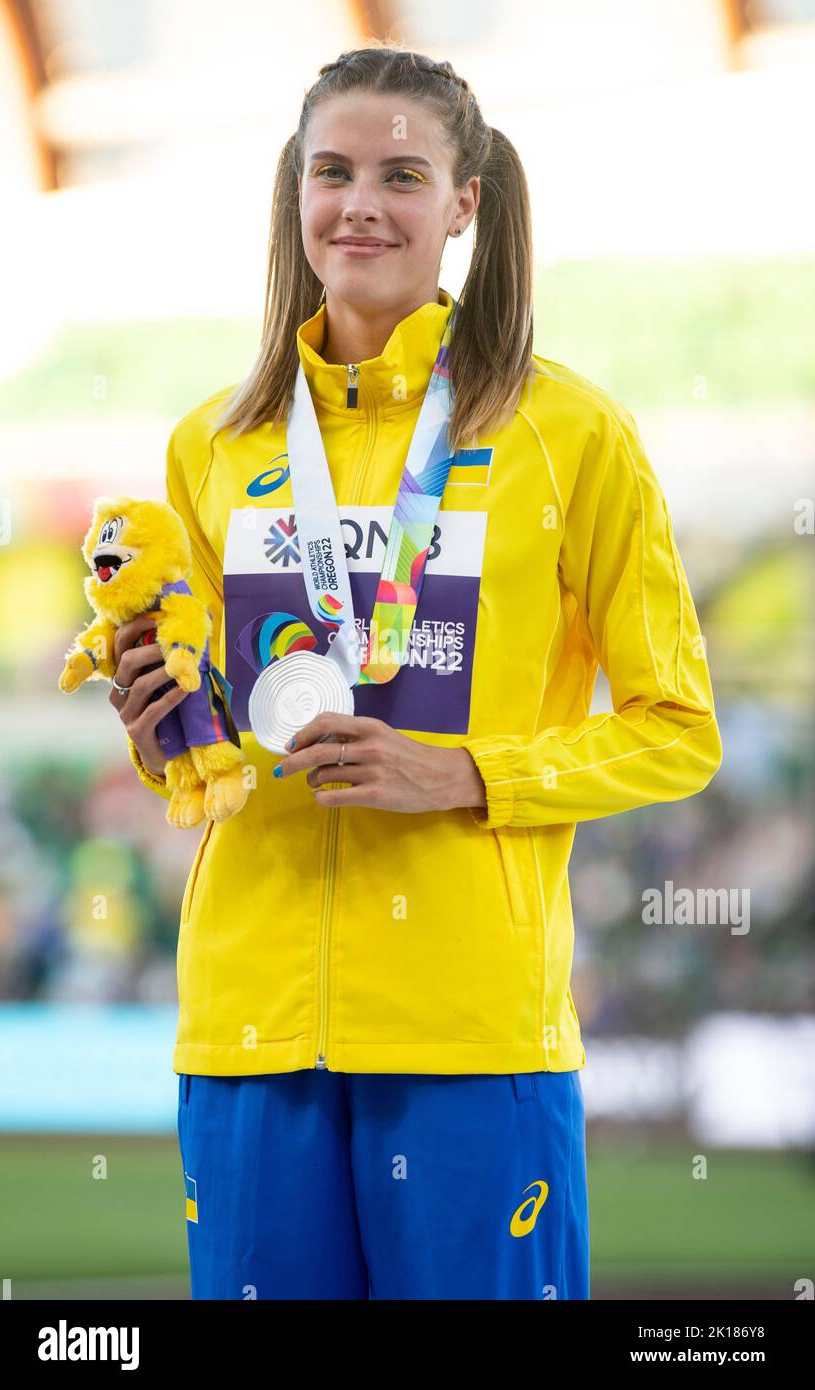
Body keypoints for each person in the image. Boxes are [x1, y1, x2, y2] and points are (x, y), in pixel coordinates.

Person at [108, 45, 722, 1300]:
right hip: (247, 1028)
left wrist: (461, 772)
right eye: (330, 172)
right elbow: (209, 747)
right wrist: (159, 718)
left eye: (402, 173)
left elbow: (677, 727)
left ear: (464, 204)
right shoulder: (213, 446)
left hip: (469, 1033)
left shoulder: (569, 435)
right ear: (296, 194)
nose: (360, 204)